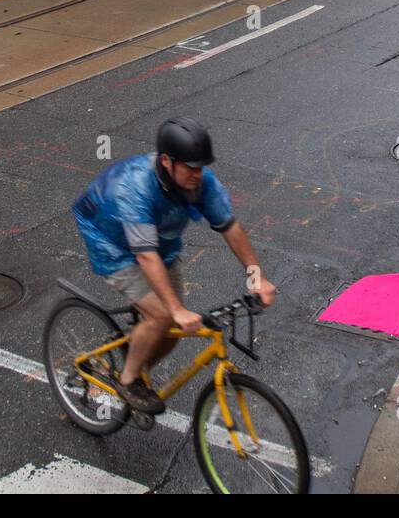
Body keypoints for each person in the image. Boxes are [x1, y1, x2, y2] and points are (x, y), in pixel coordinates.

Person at [71, 117, 276, 415]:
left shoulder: (201, 182)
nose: (198, 174)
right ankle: (128, 381)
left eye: (201, 167)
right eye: (190, 167)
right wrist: (174, 310)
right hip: (111, 240)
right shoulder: (137, 187)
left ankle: (135, 359)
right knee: (164, 315)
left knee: (168, 330)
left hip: (157, 242)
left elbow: (230, 228)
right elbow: (145, 257)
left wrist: (257, 278)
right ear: (167, 161)